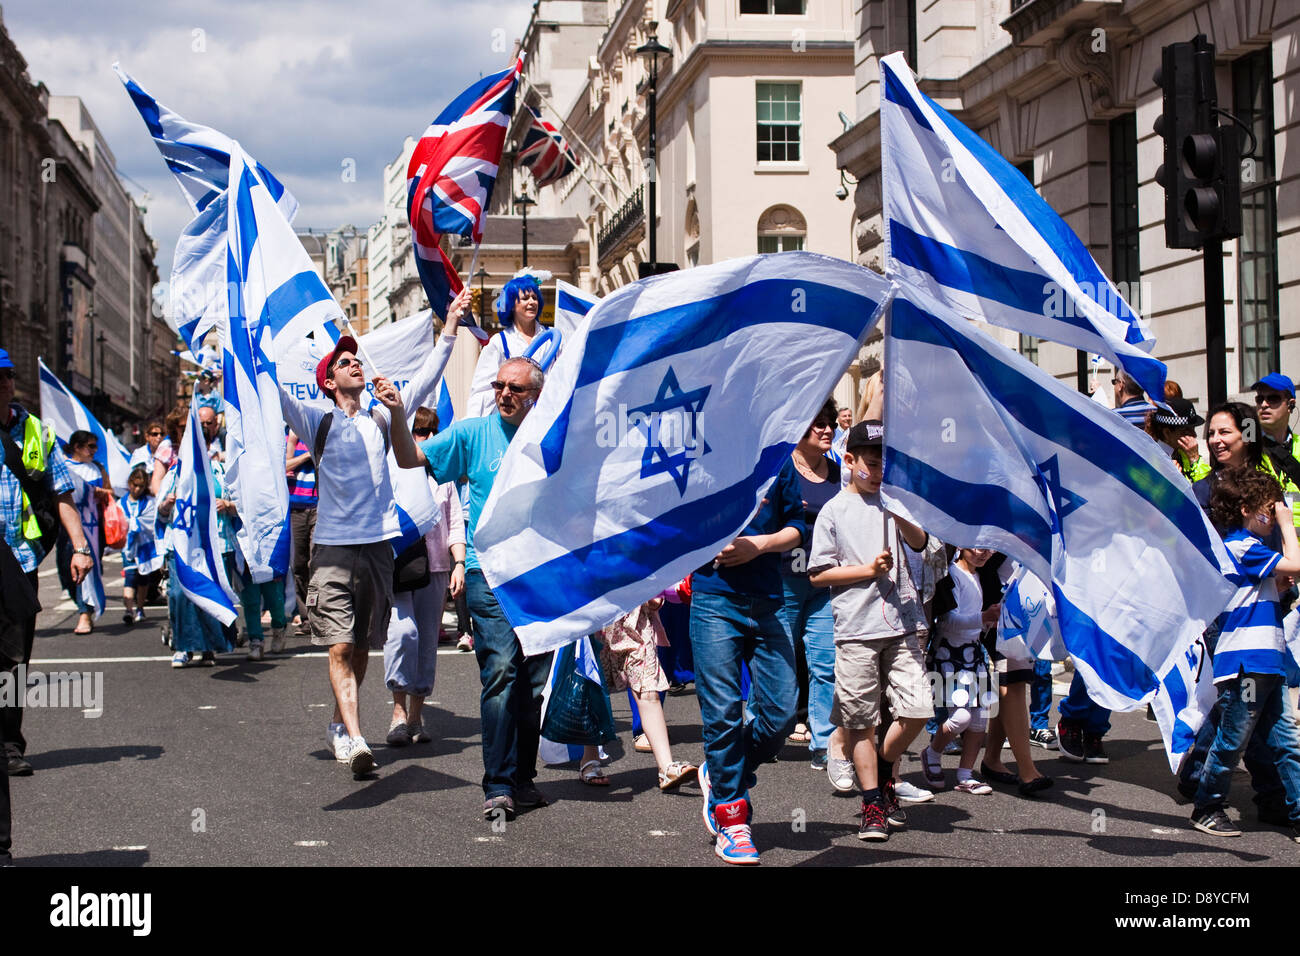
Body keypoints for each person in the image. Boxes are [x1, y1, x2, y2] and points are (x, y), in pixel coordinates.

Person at [280, 293, 465, 778]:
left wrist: (450, 330)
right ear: (329, 379)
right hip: (334, 550)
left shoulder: (381, 418)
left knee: (361, 645)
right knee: (340, 645)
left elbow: (424, 380)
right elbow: (272, 394)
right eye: (345, 362)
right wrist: (246, 348)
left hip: (379, 549)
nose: (355, 365)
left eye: (356, 359)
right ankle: (358, 737)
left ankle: (341, 725)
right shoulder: (316, 421)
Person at [387, 355, 554, 821]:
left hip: (540, 576)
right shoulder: (472, 434)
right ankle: (497, 785)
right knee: (501, 671)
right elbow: (409, 458)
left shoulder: (552, 434)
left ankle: (522, 780)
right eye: (500, 385)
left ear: (535, 396)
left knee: (532, 685)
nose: (504, 393)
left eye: (515, 388)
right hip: (488, 572)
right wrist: (399, 414)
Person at [808, 420, 933, 843]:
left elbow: (921, 545)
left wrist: (900, 513)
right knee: (861, 721)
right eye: (871, 463)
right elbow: (818, 574)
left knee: (918, 708)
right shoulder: (834, 510)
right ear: (850, 460)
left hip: (904, 621)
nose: (878, 472)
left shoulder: (897, 500)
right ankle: (872, 804)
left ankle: (882, 772)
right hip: (856, 628)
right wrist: (867, 570)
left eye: (884, 464)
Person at [688, 451, 804, 864]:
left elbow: (797, 527)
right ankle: (732, 818)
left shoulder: (779, 455)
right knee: (722, 714)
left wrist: (761, 545)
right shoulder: (702, 451)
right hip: (714, 600)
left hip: (770, 600)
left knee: (782, 714)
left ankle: (721, 772)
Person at [0, 348, 95, 777]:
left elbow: (61, 493)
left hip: (18, 562)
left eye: (5, 375)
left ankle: (9, 746)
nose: (1, 383)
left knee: (14, 660)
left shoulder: (36, 430)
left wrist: (79, 546)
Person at [1191, 468, 1300, 839]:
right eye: (1270, 508)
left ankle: (1297, 811)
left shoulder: (1252, 553)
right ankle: (1207, 806)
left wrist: (1280, 587)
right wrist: (1288, 525)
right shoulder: (1243, 546)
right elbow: (1298, 565)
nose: (1276, 513)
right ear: (1245, 509)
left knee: (1285, 742)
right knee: (1232, 740)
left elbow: (1271, 594)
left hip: (1267, 661)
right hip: (1246, 665)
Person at [383, 406, 466, 747]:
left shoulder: (443, 476)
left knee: (427, 642)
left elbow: (456, 522)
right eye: (419, 431)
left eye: (433, 431)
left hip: (435, 568)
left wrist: (459, 563)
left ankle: (416, 715)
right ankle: (397, 712)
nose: (427, 438)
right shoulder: (393, 472)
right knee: (403, 633)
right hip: (401, 568)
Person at [780, 399, 840, 770]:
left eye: (830, 423)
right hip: (783, 580)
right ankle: (763, 729)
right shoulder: (782, 468)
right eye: (818, 424)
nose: (827, 430)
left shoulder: (838, 474)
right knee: (780, 661)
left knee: (825, 662)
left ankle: (823, 742)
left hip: (824, 583)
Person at [919, 547, 998, 794]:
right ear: (961, 545)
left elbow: (977, 622)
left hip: (974, 653)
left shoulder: (984, 576)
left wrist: (987, 621)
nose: (983, 553)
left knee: (979, 719)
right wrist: (984, 616)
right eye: (977, 547)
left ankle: (965, 774)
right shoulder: (951, 573)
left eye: (989, 548)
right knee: (961, 716)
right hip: (949, 653)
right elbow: (947, 621)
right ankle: (932, 752)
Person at [599, 598, 697, 791]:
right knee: (592, 689)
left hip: (637, 620)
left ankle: (666, 767)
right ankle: (590, 757)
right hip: (596, 618)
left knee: (648, 689)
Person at [465, 274, 546, 418]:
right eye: (525, 298)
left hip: (546, 414)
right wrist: (472, 426)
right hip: (514, 419)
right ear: (512, 305)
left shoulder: (553, 338)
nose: (532, 302)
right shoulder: (499, 342)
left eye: (535, 297)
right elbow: (482, 389)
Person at [59, 430, 110, 635]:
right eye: (90, 446)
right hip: (65, 528)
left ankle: (85, 613)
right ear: (77, 447)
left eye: (94, 446)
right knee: (65, 571)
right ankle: (81, 604)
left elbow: (109, 491)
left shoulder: (97, 468)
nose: (94, 451)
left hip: (91, 528)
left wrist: (93, 491)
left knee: (85, 571)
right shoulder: (63, 467)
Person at [285, 427, 317, 632]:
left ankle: (320, 615)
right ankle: (306, 617)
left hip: (318, 505)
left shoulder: (318, 432)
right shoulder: (289, 438)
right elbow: (284, 465)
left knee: (317, 561)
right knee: (298, 565)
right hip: (295, 506)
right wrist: (306, 455)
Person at [121, 465, 162, 626]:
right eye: (134, 485)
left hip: (145, 545)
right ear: (129, 483)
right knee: (130, 577)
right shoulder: (121, 503)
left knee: (143, 577)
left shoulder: (150, 503)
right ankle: (128, 610)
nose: (137, 489)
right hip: (128, 546)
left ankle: (140, 607)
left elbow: (153, 523)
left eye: (141, 486)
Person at [1146, 398, 1209, 484]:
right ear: (1167, 433)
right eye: (1186, 431)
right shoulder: (1152, 460)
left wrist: (1195, 460)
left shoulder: (1184, 454)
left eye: (1193, 429)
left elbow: (1206, 489)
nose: (1194, 435)